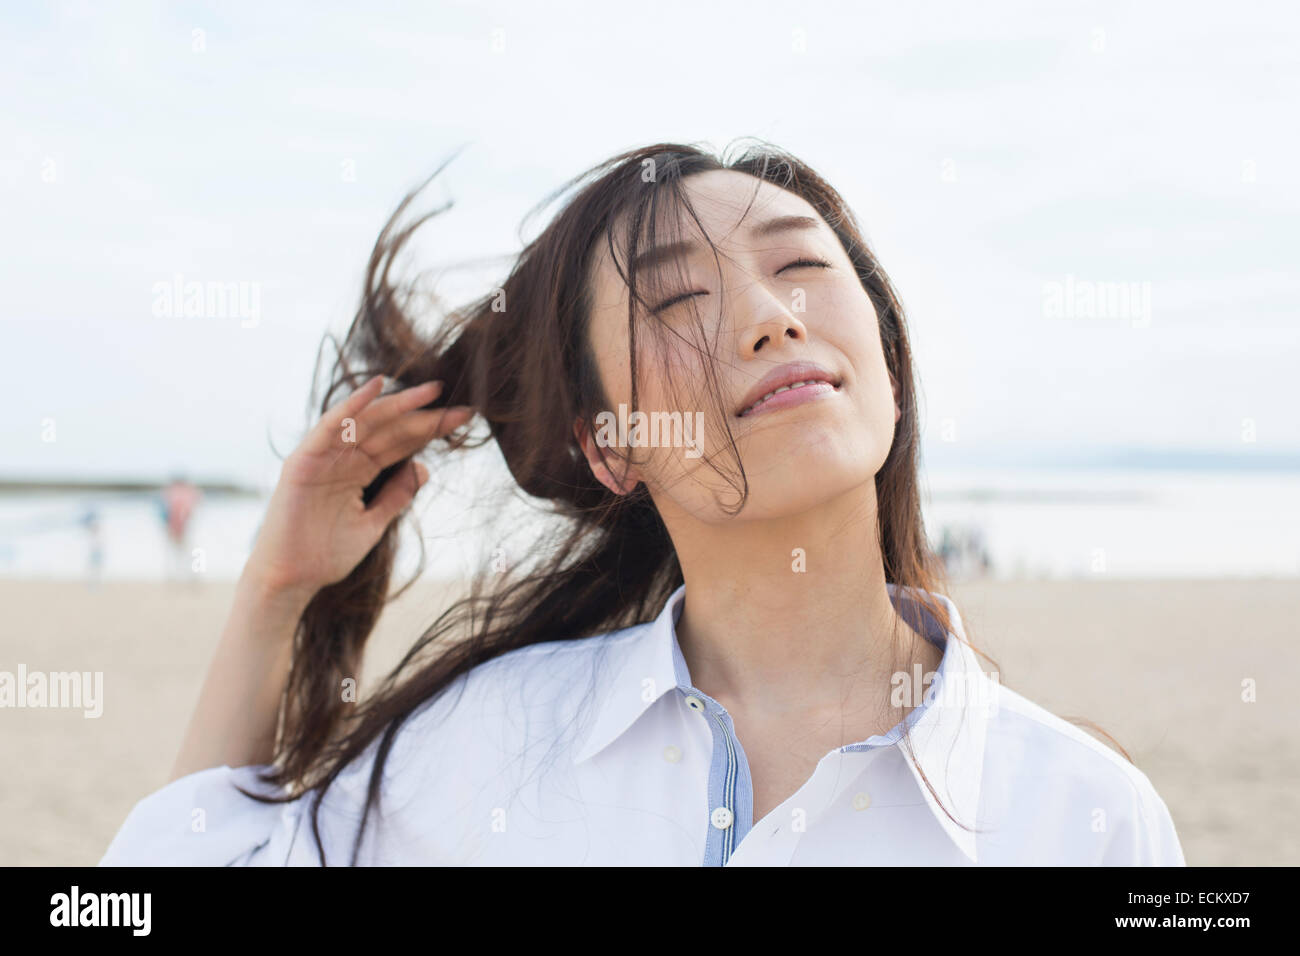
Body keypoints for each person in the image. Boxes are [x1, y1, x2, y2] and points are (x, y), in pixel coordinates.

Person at [99, 142, 1184, 866]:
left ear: (889, 373)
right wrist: (274, 588)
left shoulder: (1083, 813)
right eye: (675, 299)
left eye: (799, 265)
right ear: (608, 444)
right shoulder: (488, 735)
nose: (767, 318)